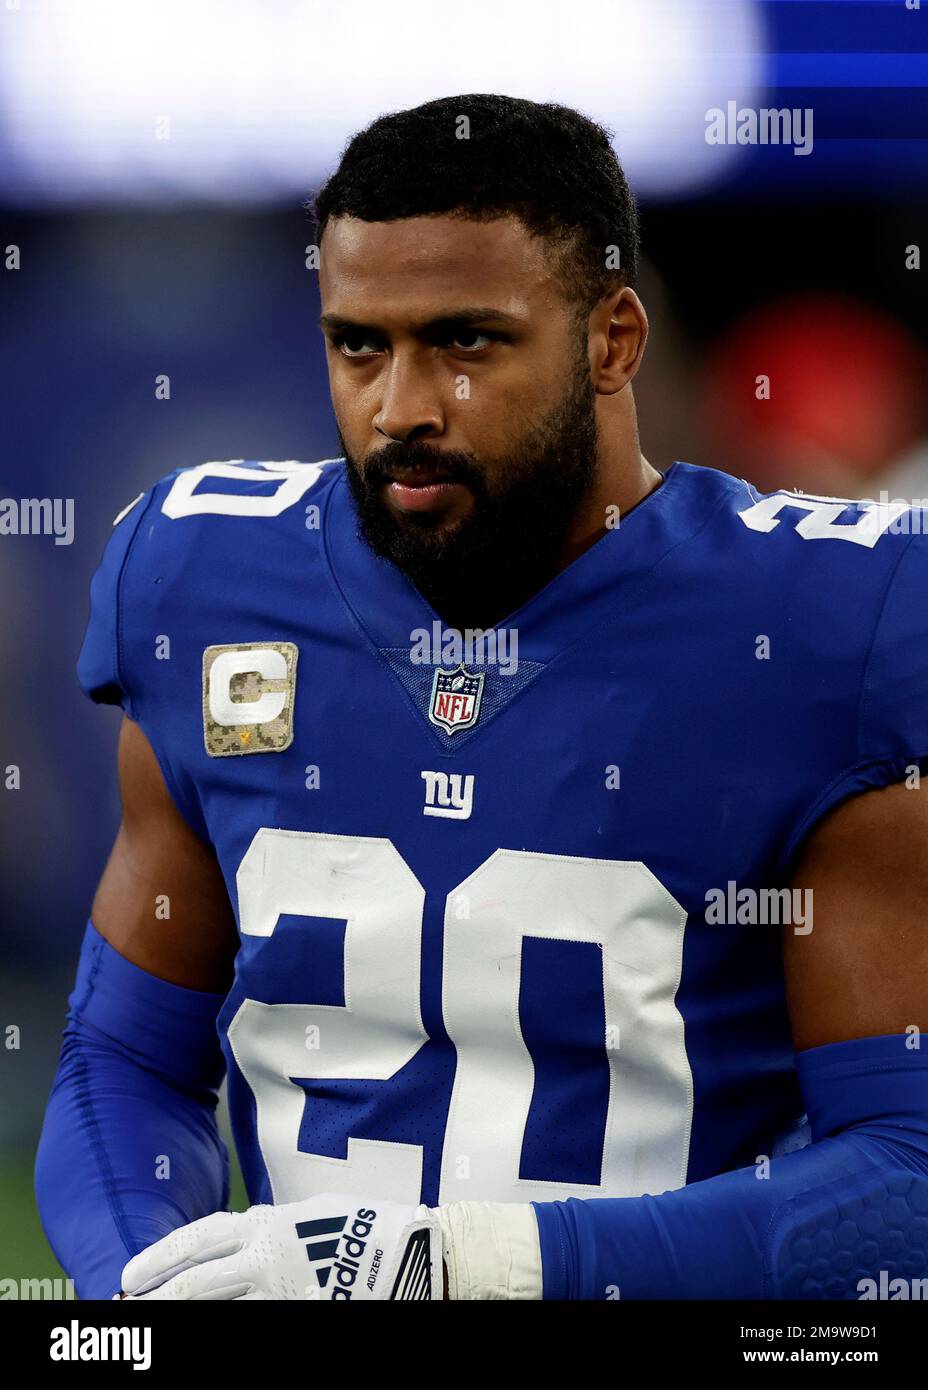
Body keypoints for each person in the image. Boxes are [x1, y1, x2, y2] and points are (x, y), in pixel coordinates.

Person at [36, 93, 928, 1301]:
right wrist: (145, 1282)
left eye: (466, 342)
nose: (402, 407)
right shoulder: (205, 580)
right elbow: (124, 1059)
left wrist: (470, 1266)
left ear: (614, 341)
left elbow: (905, 1176)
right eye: (359, 344)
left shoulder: (828, 624)